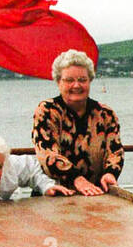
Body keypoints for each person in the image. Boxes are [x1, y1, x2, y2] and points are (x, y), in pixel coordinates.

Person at [32, 49, 123, 195]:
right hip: (56, 194)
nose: (76, 85)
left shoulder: (106, 114)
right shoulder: (47, 111)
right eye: (69, 80)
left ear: (90, 81)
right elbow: (47, 154)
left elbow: (115, 151)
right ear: (58, 82)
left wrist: (110, 173)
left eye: (82, 80)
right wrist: (77, 179)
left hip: (97, 193)